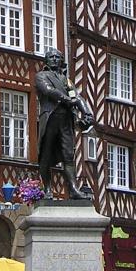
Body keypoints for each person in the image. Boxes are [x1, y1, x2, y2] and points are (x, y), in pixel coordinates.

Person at [36, 48, 94, 199]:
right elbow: (49, 91)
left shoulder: (66, 80)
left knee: (69, 155)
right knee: (46, 154)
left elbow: (78, 96)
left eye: (57, 57)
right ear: (46, 60)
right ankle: (47, 189)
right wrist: (68, 100)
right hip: (50, 117)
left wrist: (87, 112)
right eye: (52, 57)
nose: (55, 59)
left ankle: (74, 189)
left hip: (65, 120)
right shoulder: (41, 76)